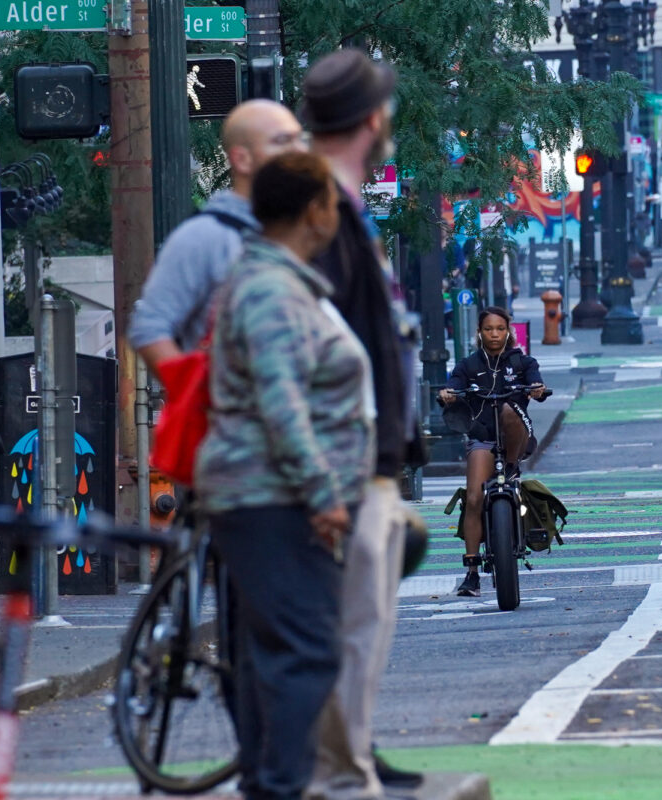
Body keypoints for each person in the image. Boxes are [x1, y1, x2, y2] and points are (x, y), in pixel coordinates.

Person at [194, 152, 373, 800]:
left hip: (267, 493)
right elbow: (281, 401)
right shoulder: (270, 289)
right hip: (272, 496)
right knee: (306, 649)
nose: (335, 212)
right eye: (330, 200)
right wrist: (324, 494)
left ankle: (269, 781)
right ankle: (278, 785)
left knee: (273, 651)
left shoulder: (277, 281)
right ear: (311, 211)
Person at [300, 48, 423, 799]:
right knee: (351, 630)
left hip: (362, 454)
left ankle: (353, 764)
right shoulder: (323, 211)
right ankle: (341, 777)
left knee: (361, 631)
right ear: (373, 121)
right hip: (343, 459)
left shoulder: (337, 204)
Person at [129, 100, 307, 377]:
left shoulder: (312, 231)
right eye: (283, 141)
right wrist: (198, 397)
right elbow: (149, 329)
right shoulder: (203, 238)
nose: (298, 152)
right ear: (242, 159)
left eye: (299, 139)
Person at [438, 307, 546, 597]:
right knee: (473, 497)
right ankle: (472, 572)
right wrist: (448, 394)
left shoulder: (522, 361)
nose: (495, 334)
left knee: (510, 409)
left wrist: (536, 388)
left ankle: (510, 468)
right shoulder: (468, 365)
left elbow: (536, 381)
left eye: (500, 328)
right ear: (479, 332)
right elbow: (453, 385)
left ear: (508, 330)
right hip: (483, 437)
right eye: (489, 329)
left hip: (516, 435)